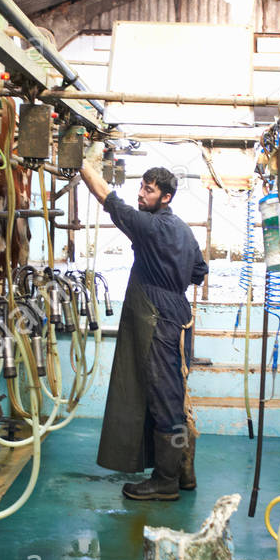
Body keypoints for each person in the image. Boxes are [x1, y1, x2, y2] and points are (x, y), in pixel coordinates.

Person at [80, 161, 208, 501]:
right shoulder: (182, 229)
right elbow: (199, 271)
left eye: (148, 190)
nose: (140, 193)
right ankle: (184, 471)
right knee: (176, 397)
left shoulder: (148, 227)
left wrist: (78, 160)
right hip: (179, 313)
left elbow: (105, 195)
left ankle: (165, 482)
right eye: (141, 186)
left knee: (165, 399)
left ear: (165, 197)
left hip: (157, 318)